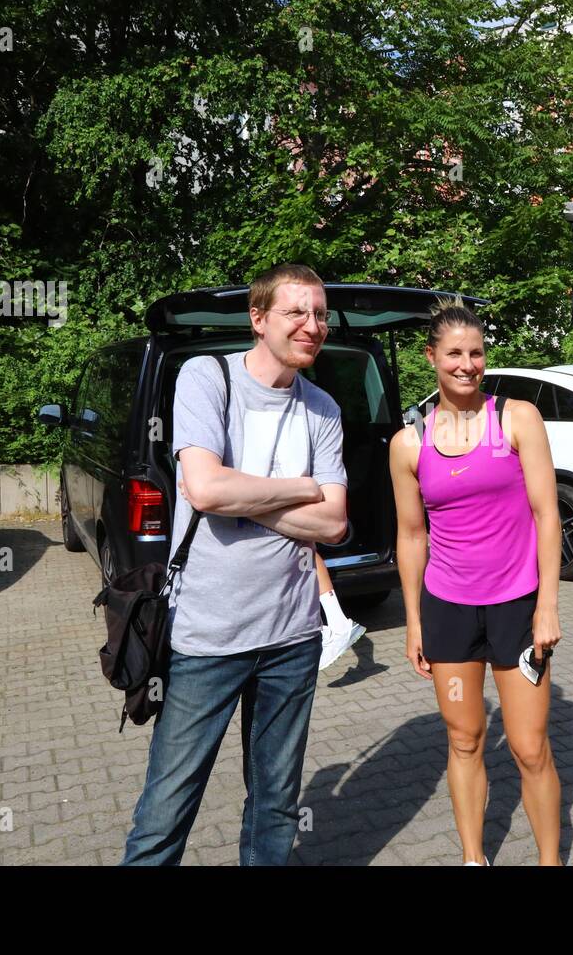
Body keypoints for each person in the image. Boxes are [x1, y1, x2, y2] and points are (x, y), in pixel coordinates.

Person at [122, 263, 348, 866]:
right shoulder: (207, 377)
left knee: (275, 804)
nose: (312, 325)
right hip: (208, 636)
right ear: (258, 318)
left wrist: (243, 499)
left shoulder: (322, 406)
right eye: (296, 312)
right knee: (167, 808)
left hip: (293, 638)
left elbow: (334, 523)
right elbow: (204, 490)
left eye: (320, 314)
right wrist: (300, 487)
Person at [388, 302, 564, 866]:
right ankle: (473, 858)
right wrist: (414, 621)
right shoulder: (408, 444)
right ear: (432, 357)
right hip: (449, 613)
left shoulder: (516, 418)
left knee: (529, 746)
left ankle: (548, 862)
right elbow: (412, 537)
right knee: (464, 739)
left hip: (516, 608)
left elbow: (547, 515)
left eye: (476, 353)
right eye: (455, 354)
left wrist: (547, 607)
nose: (467, 365)